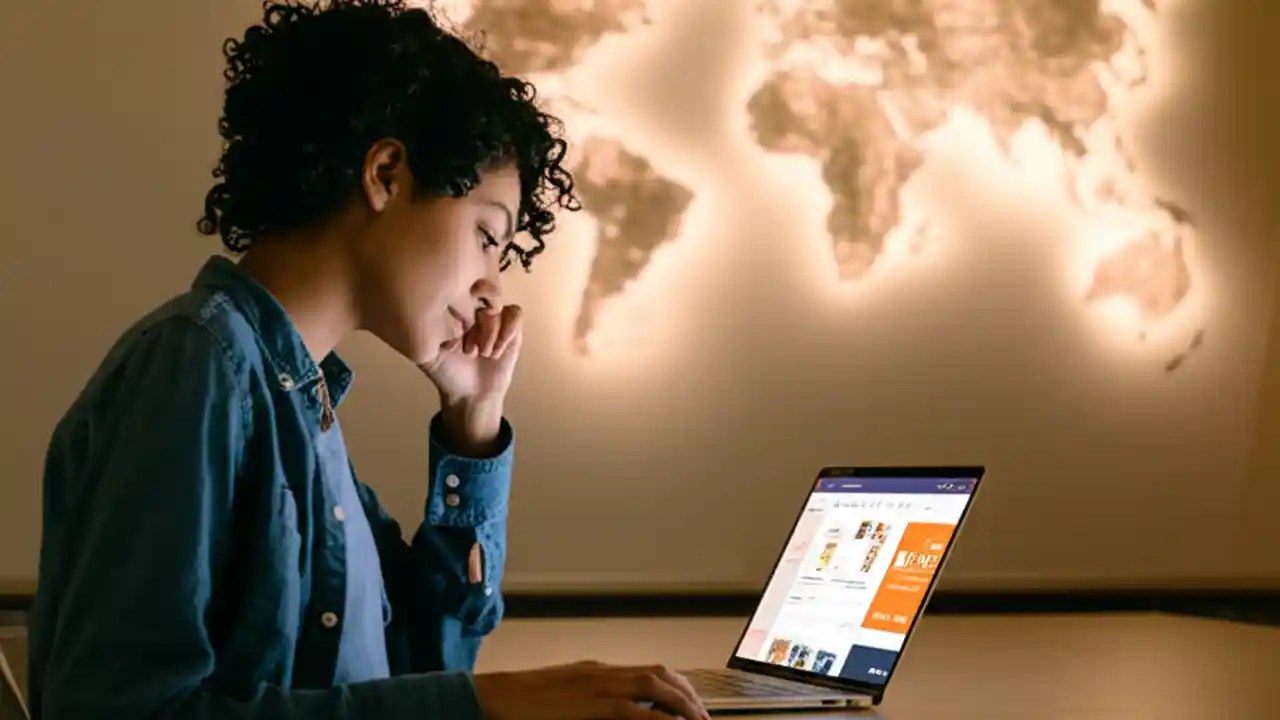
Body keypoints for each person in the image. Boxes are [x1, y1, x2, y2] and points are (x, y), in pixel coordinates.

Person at [27, 2, 708, 719]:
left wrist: (473, 428)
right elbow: (120, 710)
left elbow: (424, 666)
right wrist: (496, 703)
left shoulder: (302, 408)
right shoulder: (198, 365)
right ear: (385, 172)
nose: (491, 287)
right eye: (486, 234)